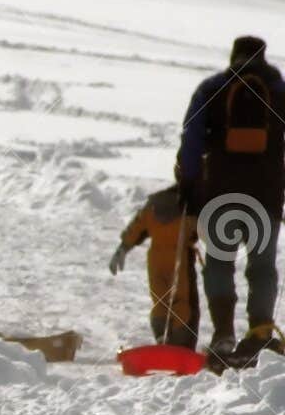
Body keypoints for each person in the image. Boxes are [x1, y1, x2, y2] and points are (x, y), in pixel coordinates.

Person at [176, 35, 285, 354]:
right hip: (266, 195)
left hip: (219, 193)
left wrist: (188, 189)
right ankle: (261, 333)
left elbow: (191, 143)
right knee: (263, 267)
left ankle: (223, 334)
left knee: (220, 262)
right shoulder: (279, 93)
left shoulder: (211, 89)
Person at [109, 185, 199, 349]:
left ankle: (161, 336)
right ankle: (181, 343)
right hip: (180, 258)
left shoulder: (154, 204)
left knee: (161, 302)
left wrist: (123, 248)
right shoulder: (189, 204)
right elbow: (203, 229)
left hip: (156, 259)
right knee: (182, 302)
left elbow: (136, 227)